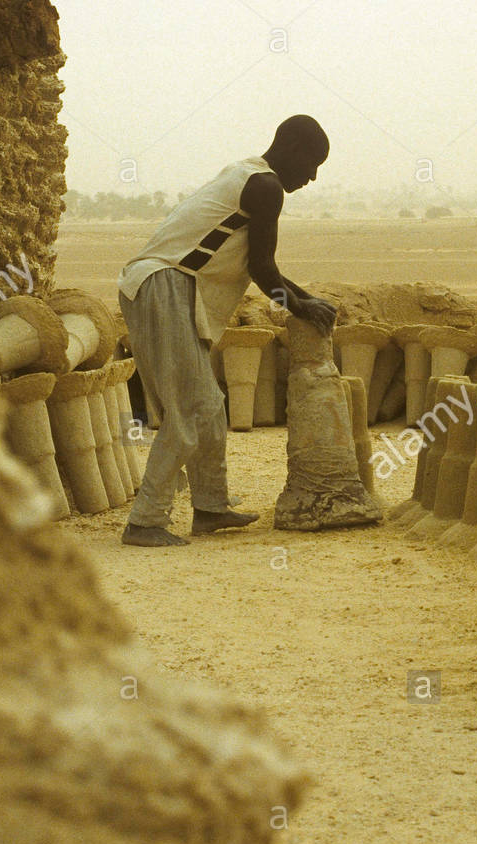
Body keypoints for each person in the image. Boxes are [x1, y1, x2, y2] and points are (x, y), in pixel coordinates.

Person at [116, 115, 339, 547]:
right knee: (189, 409)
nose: (312, 177)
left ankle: (210, 508)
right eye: (313, 164)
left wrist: (307, 300)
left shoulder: (250, 174)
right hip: (164, 283)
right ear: (292, 150)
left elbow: (264, 266)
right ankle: (144, 521)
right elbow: (261, 268)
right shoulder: (266, 186)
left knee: (210, 407)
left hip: (174, 288)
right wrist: (303, 305)